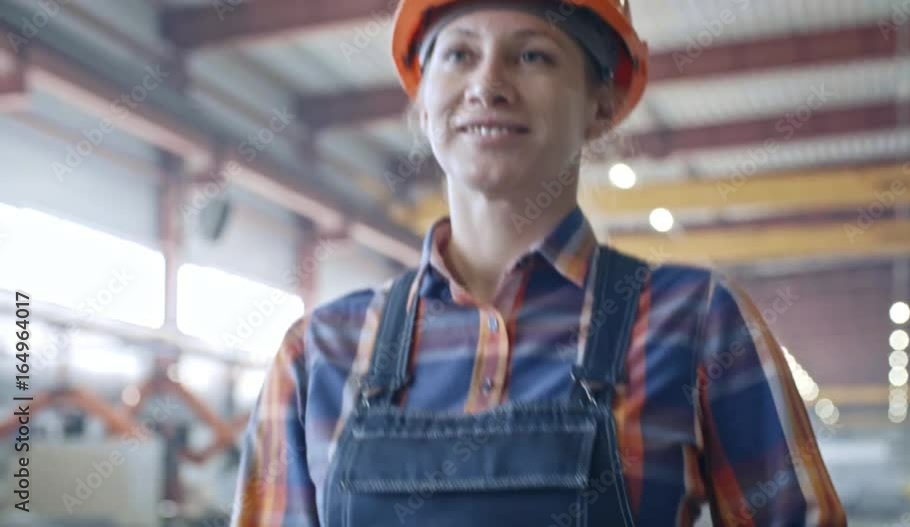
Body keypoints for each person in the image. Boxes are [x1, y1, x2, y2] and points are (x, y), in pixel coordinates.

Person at [231, 1, 847, 525]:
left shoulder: (694, 321)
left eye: (532, 56)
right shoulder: (320, 353)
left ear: (600, 105)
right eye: (459, 55)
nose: (488, 85)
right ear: (422, 104)